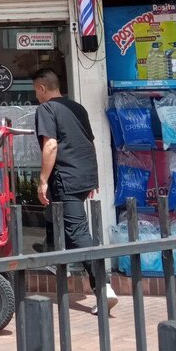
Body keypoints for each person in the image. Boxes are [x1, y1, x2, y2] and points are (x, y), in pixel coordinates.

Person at [32, 67, 118, 315]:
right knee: (57, 219)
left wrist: (43, 180)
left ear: (42, 88)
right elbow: (89, 143)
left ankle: (103, 286)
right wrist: (91, 178)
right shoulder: (77, 108)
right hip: (81, 176)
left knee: (78, 232)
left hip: (66, 178)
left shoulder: (46, 109)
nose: (36, 96)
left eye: (36, 91)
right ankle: (59, 261)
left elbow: (50, 145)